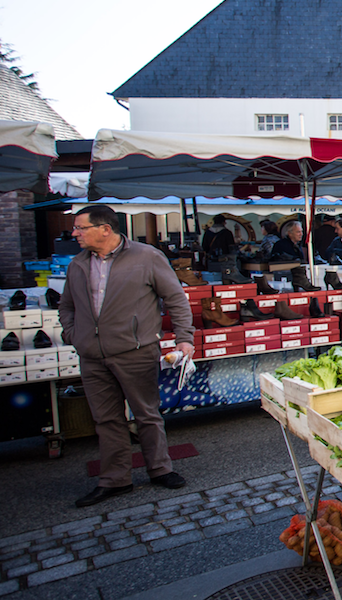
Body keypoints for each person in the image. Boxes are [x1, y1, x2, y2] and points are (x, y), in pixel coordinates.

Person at [60, 205, 195, 508]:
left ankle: (160, 468)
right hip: (92, 355)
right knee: (106, 420)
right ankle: (114, 479)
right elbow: (66, 305)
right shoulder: (78, 264)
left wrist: (184, 338)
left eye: (81, 227)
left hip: (136, 350)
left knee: (146, 413)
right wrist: (73, 334)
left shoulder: (146, 257)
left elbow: (175, 298)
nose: (75, 233)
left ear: (105, 229)